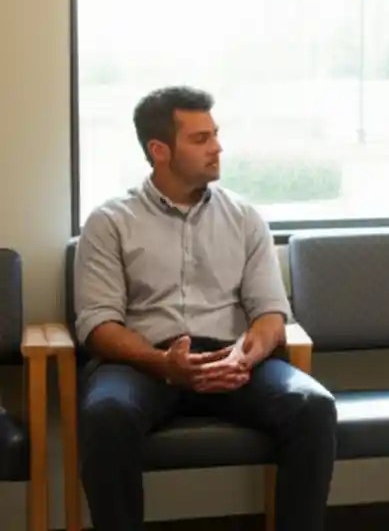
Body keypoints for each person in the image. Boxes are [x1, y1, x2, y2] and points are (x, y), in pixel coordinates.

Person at [75, 86, 337, 531]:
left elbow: (271, 313)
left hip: (230, 358)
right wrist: (163, 363)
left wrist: (246, 355)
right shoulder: (110, 221)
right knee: (106, 414)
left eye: (215, 134)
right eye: (200, 139)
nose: (217, 147)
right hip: (143, 363)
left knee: (312, 406)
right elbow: (98, 324)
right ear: (159, 150)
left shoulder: (245, 217)